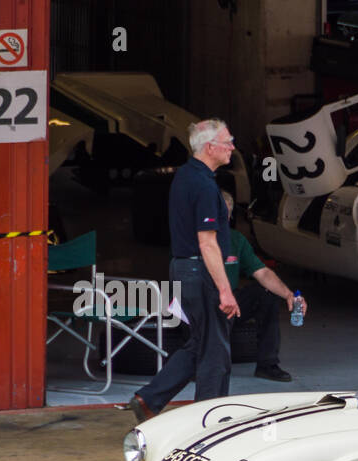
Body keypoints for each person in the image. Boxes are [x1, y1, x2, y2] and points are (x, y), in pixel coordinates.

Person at [127, 119, 240, 423]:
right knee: (215, 352)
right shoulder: (202, 184)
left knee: (201, 342)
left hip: (184, 269)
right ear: (210, 147)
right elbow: (207, 243)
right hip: (199, 270)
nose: (232, 147)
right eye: (227, 142)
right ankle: (210, 421)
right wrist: (225, 290)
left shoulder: (185, 176)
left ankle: (149, 399)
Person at [221, 191, 303, 383]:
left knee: (267, 293)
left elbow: (263, 273)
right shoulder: (194, 240)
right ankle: (196, 362)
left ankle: (267, 364)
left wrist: (289, 295)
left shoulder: (236, 240)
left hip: (230, 302)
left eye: (225, 212)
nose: (221, 217)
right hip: (203, 302)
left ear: (230, 215)